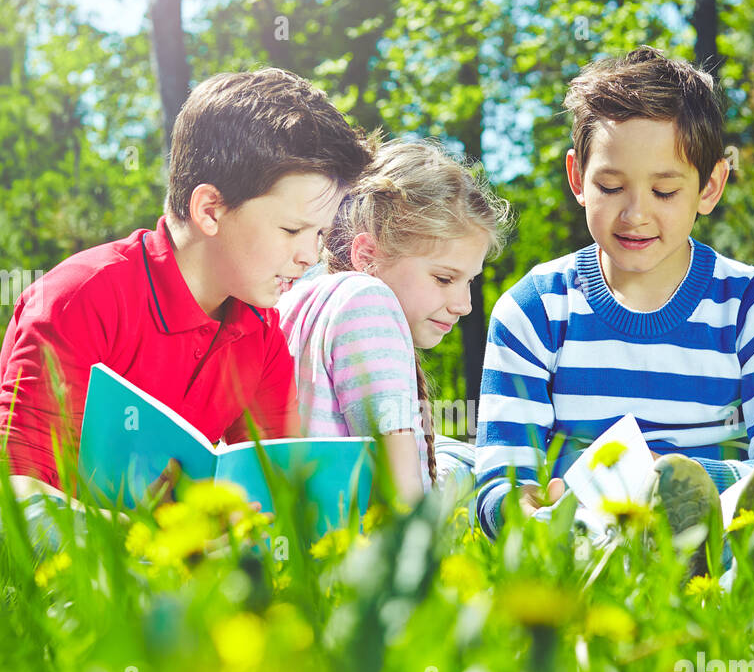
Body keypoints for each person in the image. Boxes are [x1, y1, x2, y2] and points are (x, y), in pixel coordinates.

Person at [474, 45, 754, 571]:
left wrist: (684, 484)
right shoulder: (534, 311)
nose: (635, 213)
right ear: (578, 179)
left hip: (729, 524)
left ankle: (725, 558)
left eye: (665, 191)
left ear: (709, 187)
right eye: (611, 186)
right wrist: (520, 507)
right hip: (590, 535)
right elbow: (502, 479)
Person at [0, 68, 373, 531]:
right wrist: (148, 539)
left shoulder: (263, 338)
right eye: (293, 229)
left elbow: (277, 496)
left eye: (319, 233)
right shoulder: (80, 298)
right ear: (209, 211)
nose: (309, 254)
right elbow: (14, 496)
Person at [277, 138, 509, 517]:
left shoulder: (298, 298)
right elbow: (405, 508)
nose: (463, 305)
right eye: (444, 278)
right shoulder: (367, 300)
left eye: (469, 281)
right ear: (367, 256)